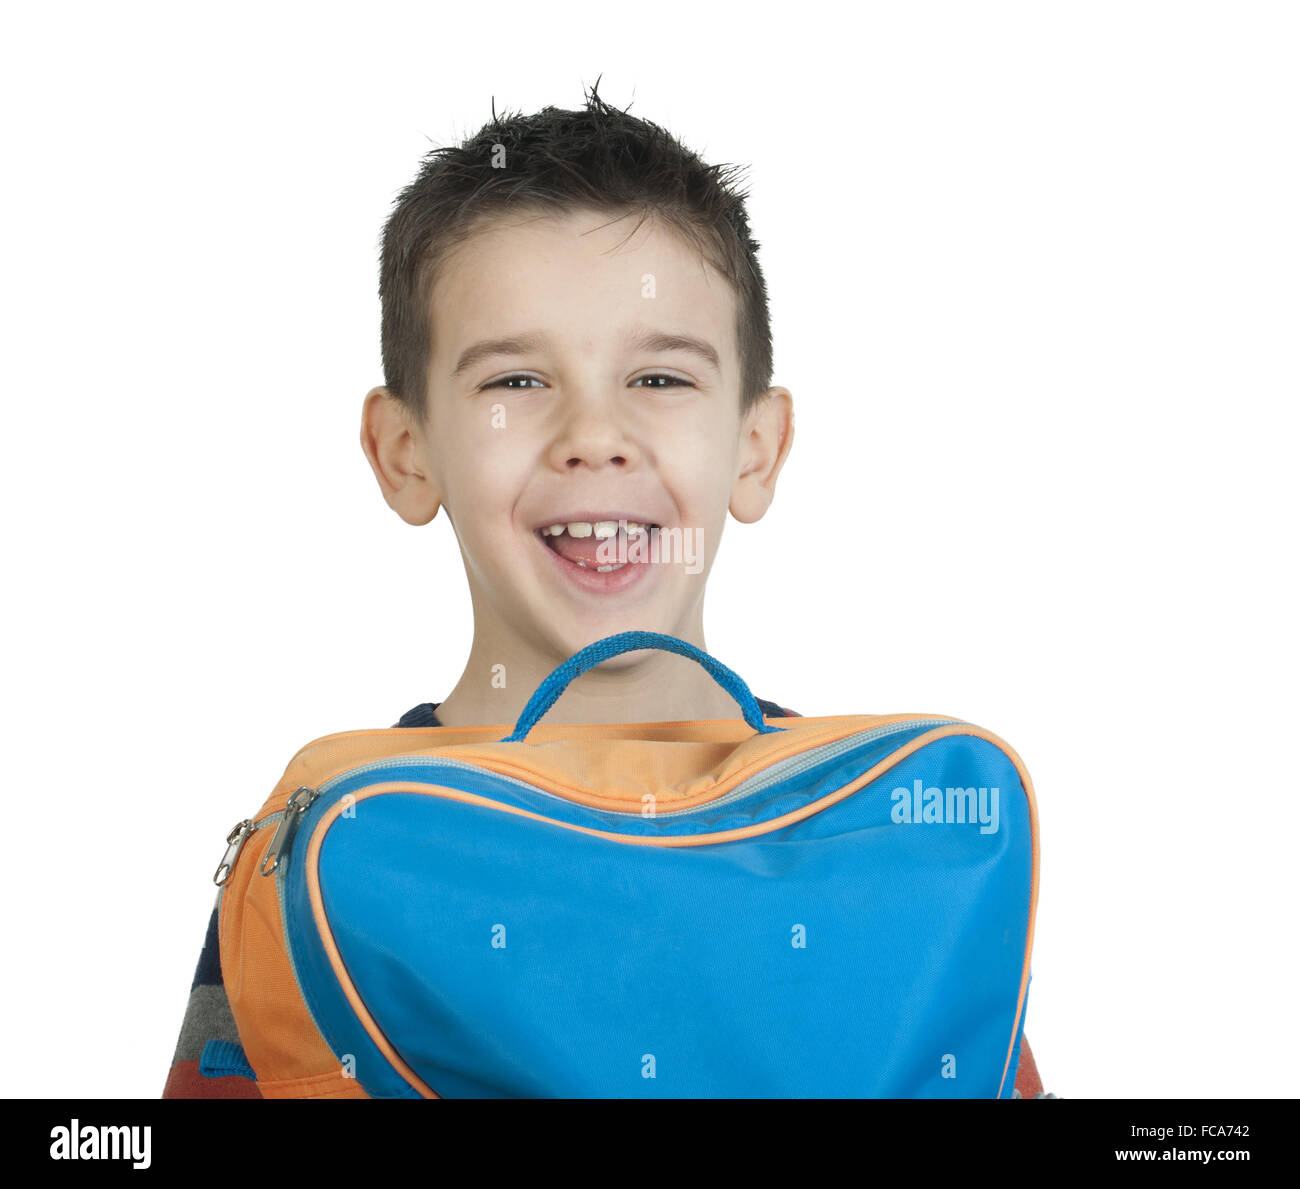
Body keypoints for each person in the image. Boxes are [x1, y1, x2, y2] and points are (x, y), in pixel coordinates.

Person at [163, 81, 1050, 1099]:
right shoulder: (329, 863)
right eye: (515, 383)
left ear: (757, 449)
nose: (594, 437)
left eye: (660, 379)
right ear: (404, 453)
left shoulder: (890, 831)